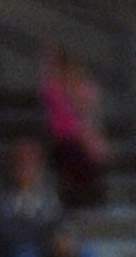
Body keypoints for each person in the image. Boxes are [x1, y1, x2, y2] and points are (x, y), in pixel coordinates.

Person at [41, 44, 108, 208]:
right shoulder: (55, 87)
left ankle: (91, 194)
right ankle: (75, 195)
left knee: (90, 151)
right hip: (63, 135)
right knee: (72, 152)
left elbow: (88, 114)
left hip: (78, 133)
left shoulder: (82, 88)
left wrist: (89, 136)